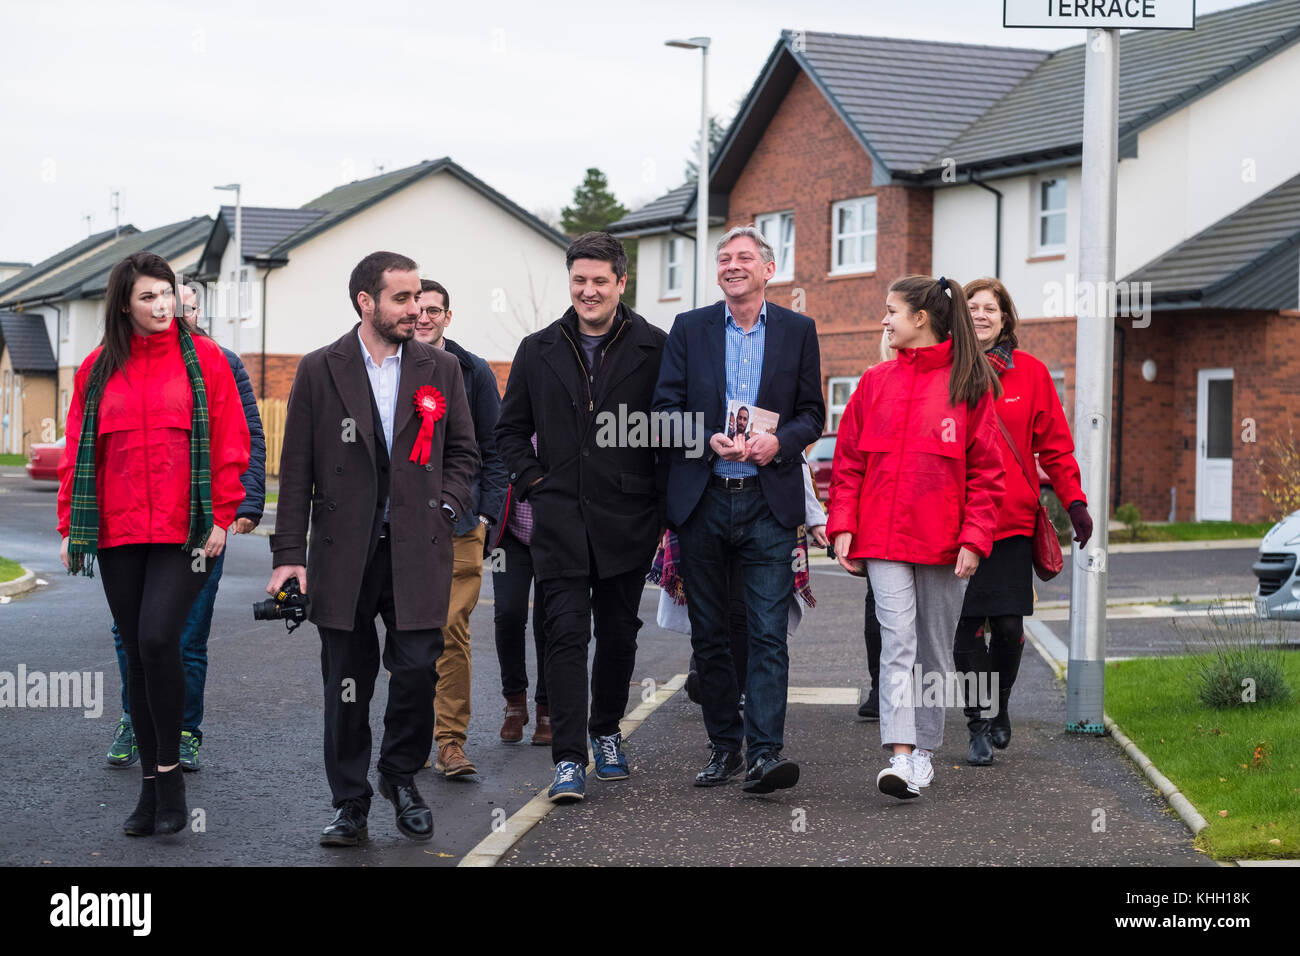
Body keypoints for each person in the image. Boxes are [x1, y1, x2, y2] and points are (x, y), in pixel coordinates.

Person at [267, 251, 477, 846]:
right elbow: (297, 468)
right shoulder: (317, 369)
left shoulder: (442, 368)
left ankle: (398, 774)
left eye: (418, 299)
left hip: (417, 549)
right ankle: (350, 803)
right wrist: (289, 556)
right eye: (403, 299)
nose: (417, 310)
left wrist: (444, 505)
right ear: (367, 302)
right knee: (347, 683)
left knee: (415, 670)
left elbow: (464, 452)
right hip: (342, 556)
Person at [58, 251, 250, 836]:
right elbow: (76, 450)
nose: (162, 305)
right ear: (124, 303)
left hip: (183, 531)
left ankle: (172, 778)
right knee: (138, 653)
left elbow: (230, 438)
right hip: (117, 532)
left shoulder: (208, 360)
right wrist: (72, 525)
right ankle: (151, 788)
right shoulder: (96, 368)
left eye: (167, 293)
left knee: (158, 638)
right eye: (148, 297)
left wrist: (221, 514)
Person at [653, 225, 826, 794]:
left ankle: (765, 755)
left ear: (768, 269)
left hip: (766, 501)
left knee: (767, 632)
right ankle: (724, 748)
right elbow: (664, 410)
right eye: (724, 258)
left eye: (744, 257)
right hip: (703, 499)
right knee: (711, 634)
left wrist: (781, 443)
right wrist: (707, 438)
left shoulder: (798, 331)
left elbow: (810, 414)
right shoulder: (690, 328)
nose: (731, 265)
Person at [496, 231, 667, 804]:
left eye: (599, 281)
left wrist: (661, 508)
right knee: (564, 635)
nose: (588, 291)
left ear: (622, 282)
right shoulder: (537, 348)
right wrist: (535, 483)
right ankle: (568, 758)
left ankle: (606, 731)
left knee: (619, 634)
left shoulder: (656, 347)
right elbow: (509, 431)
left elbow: (672, 432)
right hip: (559, 520)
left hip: (628, 520)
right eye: (579, 280)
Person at [827, 275, 1004, 800]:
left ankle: (924, 751)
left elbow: (987, 473)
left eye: (891, 311)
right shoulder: (875, 382)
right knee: (897, 641)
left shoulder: (969, 386)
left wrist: (975, 536)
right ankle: (901, 756)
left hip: (945, 544)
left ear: (920, 319)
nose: (884, 320)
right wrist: (842, 525)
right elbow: (849, 462)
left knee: (932, 649)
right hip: (882, 539)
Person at [105, 280, 266, 771]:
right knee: (130, 633)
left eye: (188, 307)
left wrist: (247, 503)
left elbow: (247, 435)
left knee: (188, 636)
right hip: (134, 527)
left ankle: (185, 730)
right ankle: (136, 718)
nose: (178, 314)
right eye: (167, 304)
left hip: (199, 525)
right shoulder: (120, 361)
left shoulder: (221, 362)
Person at [954, 277, 1091, 765]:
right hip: (955, 526)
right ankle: (976, 722)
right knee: (967, 627)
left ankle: (1000, 705)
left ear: (1006, 317)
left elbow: (1055, 445)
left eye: (990, 308)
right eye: (971, 307)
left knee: (1009, 628)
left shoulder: (1030, 374)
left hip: (1010, 522)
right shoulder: (946, 369)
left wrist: (1074, 501)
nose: (981, 315)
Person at [412, 279, 507, 778]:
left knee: (451, 630)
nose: (424, 317)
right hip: (400, 525)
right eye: (416, 308)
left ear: (449, 316)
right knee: (406, 634)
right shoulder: (388, 365)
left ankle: (450, 742)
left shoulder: (473, 373)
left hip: (462, 523)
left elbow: (496, 448)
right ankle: (405, 741)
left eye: (434, 310)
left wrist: (487, 514)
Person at [653, 456, 827, 719]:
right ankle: (722, 719)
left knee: (749, 614)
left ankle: (747, 719)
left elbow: (796, 453)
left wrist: (814, 517)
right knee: (710, 613)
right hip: (703, 504)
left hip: (764, 510)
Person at [492, 461, 551, 746]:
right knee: (508, 613)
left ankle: (546, 708)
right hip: (510, 535)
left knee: (550, 620)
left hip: (554, 535)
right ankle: (514, 701)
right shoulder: (510, 417)